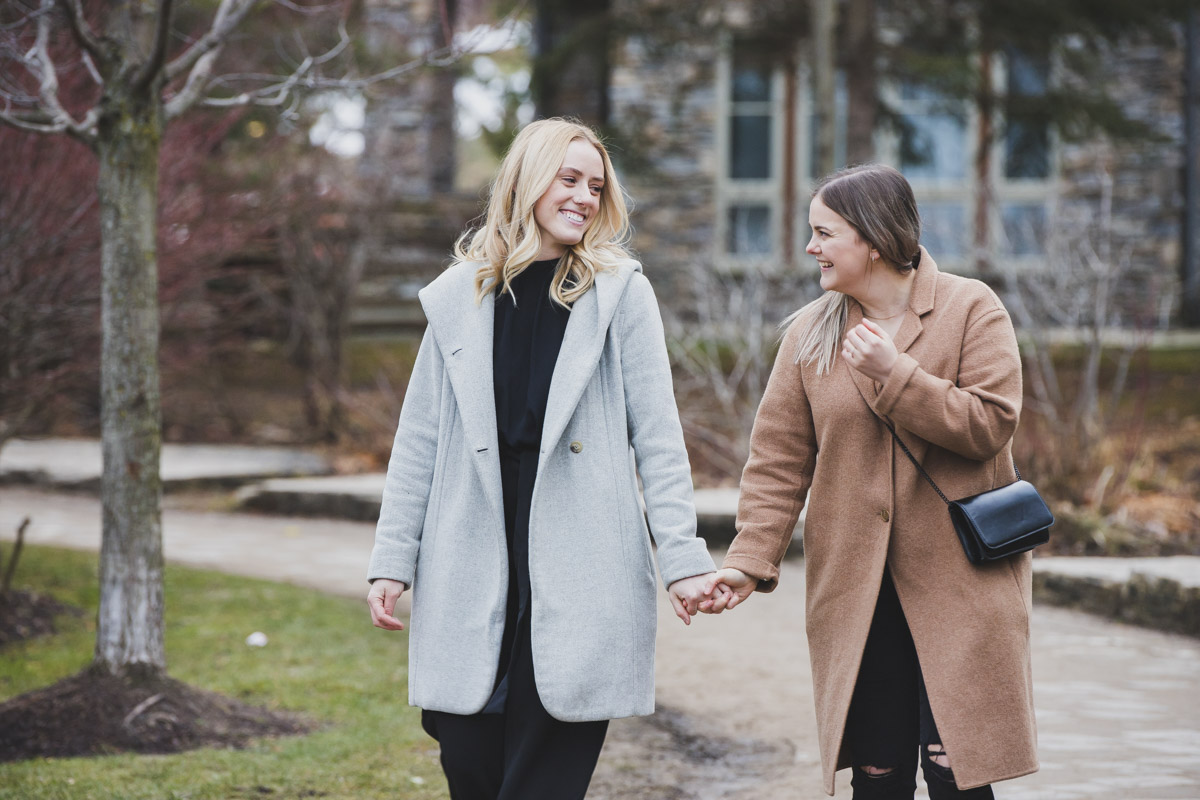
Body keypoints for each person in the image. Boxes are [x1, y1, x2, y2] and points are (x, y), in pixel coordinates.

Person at [365, 117, 718, 800]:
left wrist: (682, 561)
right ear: (527, 180)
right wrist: (391, 561)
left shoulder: (621, 295)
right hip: (473, 545)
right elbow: (419, 441)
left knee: (545, 770)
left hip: (582, 554)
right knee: (467, 755)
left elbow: (660, 439)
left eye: (596, 185)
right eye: (570, 179)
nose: (586, 197)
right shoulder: (459, 297)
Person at [701, 164, 1038, 799]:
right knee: (877, 773)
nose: (810, 248)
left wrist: (898, 374)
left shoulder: (970, 309)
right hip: (856, 590)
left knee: (954, 768)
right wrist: (748, 562)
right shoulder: (809, 333)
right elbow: (778, 460)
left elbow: (990, 424)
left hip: (962, 585)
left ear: (873, 240)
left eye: (824, 233)